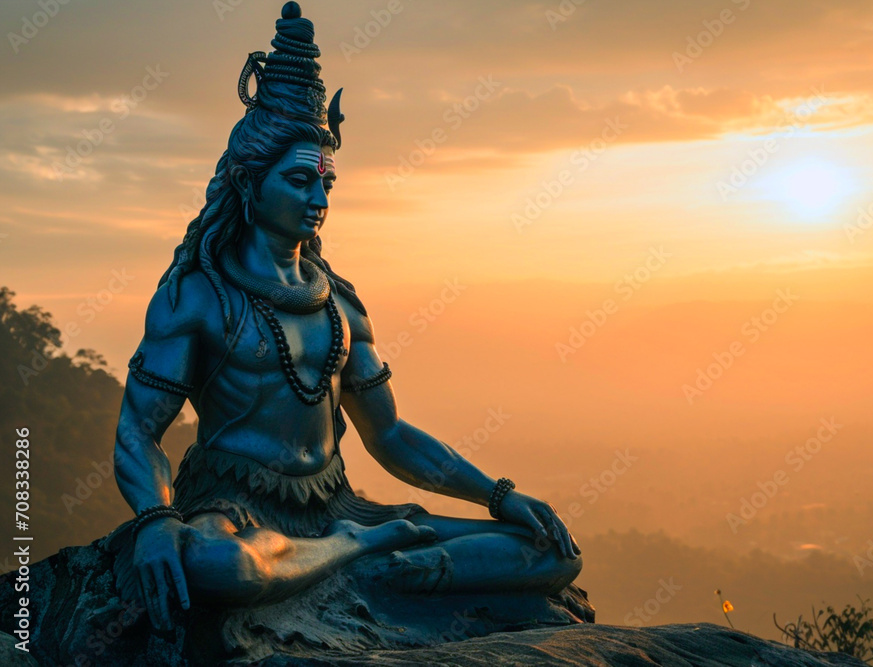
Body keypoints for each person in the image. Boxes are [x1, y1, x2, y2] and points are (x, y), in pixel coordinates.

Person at [111, 2, 584, 633]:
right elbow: (138, 432)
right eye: (301, 180)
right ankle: (356, 554)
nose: (318, 199)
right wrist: (153, 520)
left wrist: (499, 496)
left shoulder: (338, 301)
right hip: (235, 507)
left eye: (327, 184)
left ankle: (377, 559)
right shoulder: (199, 295)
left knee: (553, 550)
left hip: (338, 501)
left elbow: (388, 436)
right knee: (221, 569)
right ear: (251, 184)